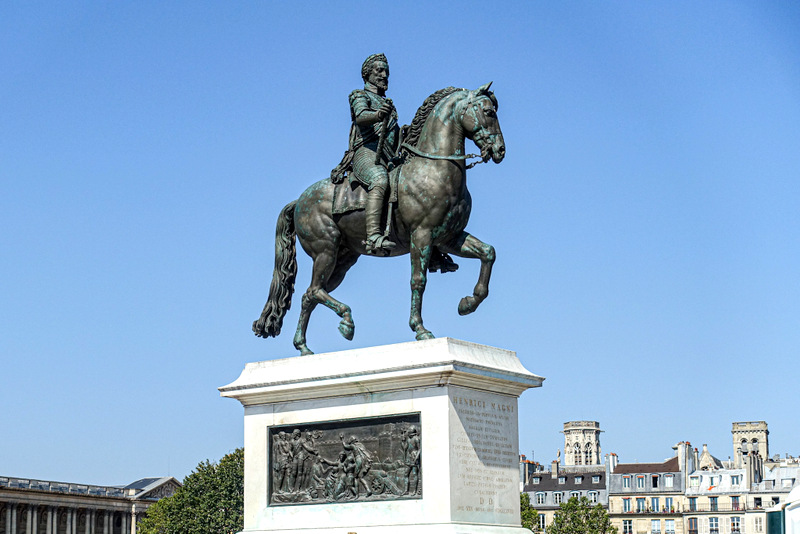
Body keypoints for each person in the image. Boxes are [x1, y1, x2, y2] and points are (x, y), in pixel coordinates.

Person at [331, 53, 399, 255]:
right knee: (379, 179)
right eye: (379, 70)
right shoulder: (359, 95)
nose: (384, 75)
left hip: (389, 157)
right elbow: (361, 117)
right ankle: (373, 237)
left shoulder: (388, 104)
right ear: (367, 74)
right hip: (366, 154)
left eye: (386, 71)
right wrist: (379, 115)